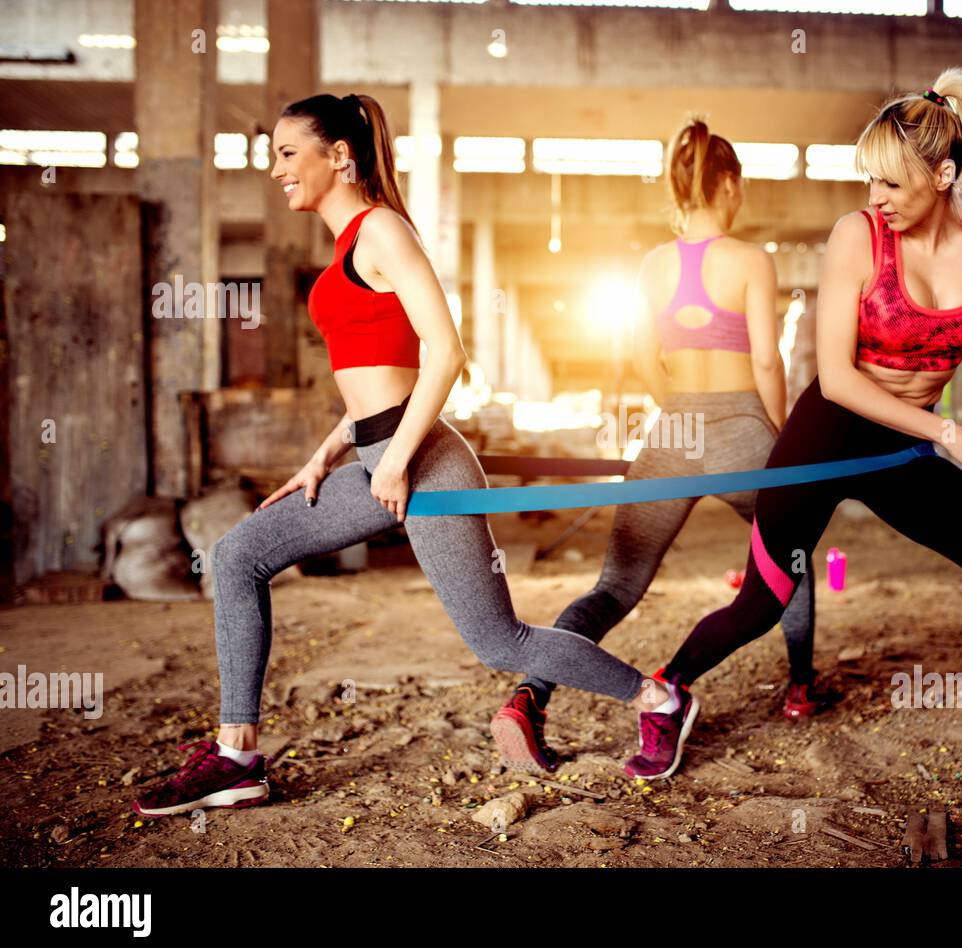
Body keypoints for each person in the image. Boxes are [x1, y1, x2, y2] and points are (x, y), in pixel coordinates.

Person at [623, 69, 962, 848]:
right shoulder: (856, 236)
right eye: (869, 177)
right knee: (763, 602)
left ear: (944, 175)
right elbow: (834, 378)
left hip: (905, 447)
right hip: (828, 435)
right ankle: (667, 690)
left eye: (892, 180)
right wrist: (951, 436)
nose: (877, 194)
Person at [133, 93, 682, 817]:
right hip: (376, 457)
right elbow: (371, 375)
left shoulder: (381, 230)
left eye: (287, 154)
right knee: (238, 556)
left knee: (498, 640)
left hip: (422, 459)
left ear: (339, 155)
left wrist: (395, 461)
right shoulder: (343, 247)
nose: (276, 172)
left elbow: (446, 352)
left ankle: (660, 699)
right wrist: (326, 453)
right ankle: (237, 755)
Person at [491, 119, 823, 775]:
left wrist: (678, 411)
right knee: (792, 551)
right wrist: (781, 441)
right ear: (728, 184)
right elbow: (766, 362)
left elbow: (643, 356)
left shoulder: (653, 265)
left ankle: (530, 696)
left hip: (672, 430)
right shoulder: (752, 260)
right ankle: (800, 687)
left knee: (614, 584)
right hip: (742, 429)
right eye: (740, 188)